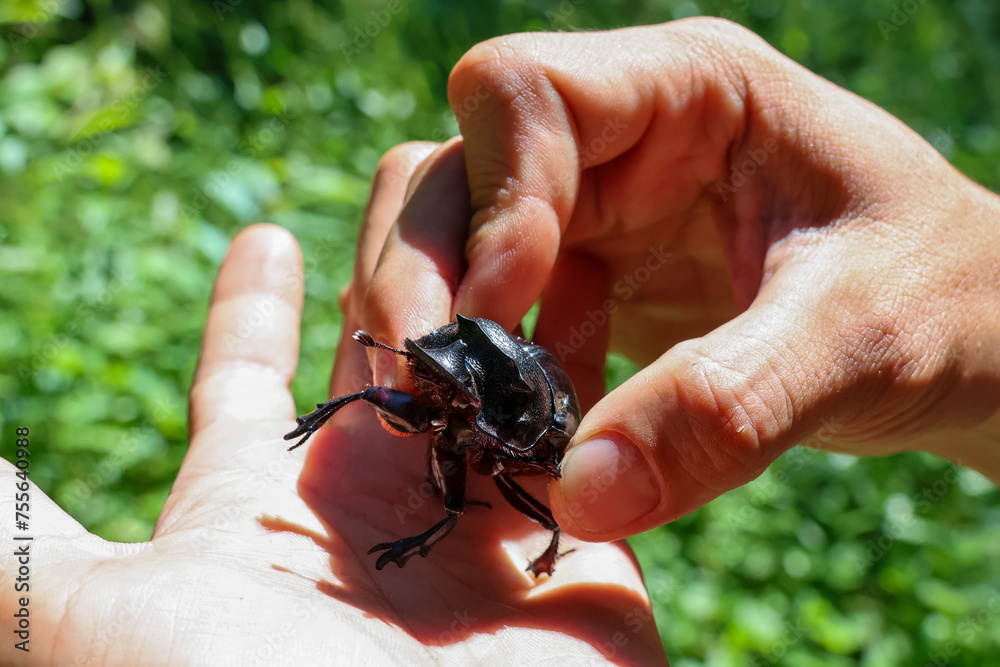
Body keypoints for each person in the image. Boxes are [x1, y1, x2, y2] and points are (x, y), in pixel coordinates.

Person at [2, 18, 997, 665]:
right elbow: (414, 363)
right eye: (424, 377)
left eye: (436, 383)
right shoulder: (441, 377)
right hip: (497, 403)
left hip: (521, 429)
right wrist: (342, 407)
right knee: (404, 404)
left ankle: (509, 520)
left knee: (470, 487)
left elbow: (513, 446)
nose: (420, 385)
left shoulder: (498, 419)